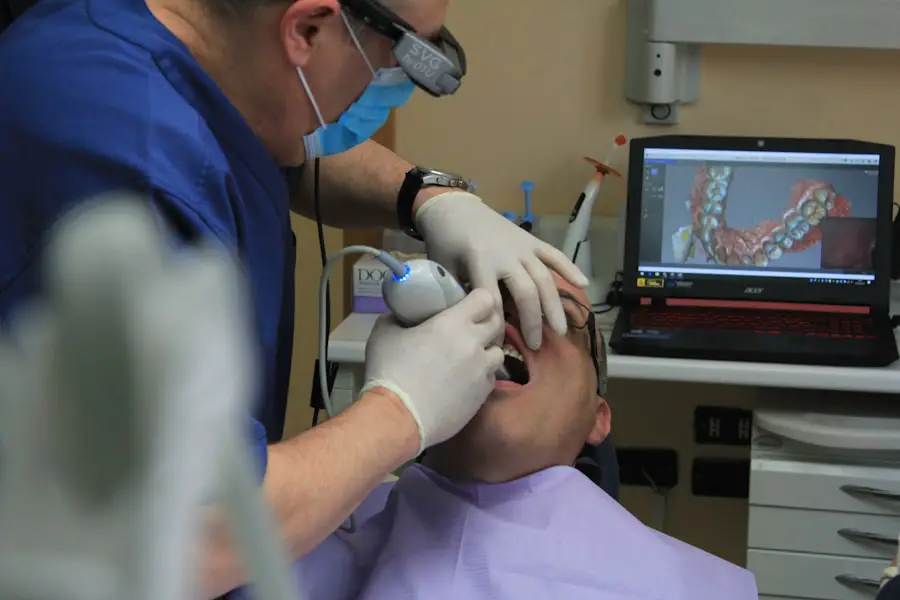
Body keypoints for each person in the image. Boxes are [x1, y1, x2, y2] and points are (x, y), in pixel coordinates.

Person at [0, 0, 589, 597]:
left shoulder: (178, 55)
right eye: (400, 58)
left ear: (601, 419)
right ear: (306, 28)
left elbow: (282, 143)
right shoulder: (124, 164)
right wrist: (399, 412)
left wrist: (430, 198)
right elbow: (184, 537)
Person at [241, 273, 758, 600]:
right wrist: (386, 415)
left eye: (555, 313)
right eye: (476, 302)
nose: (508, 319)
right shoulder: (287, 529)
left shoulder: (702, 588)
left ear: (597, 420)